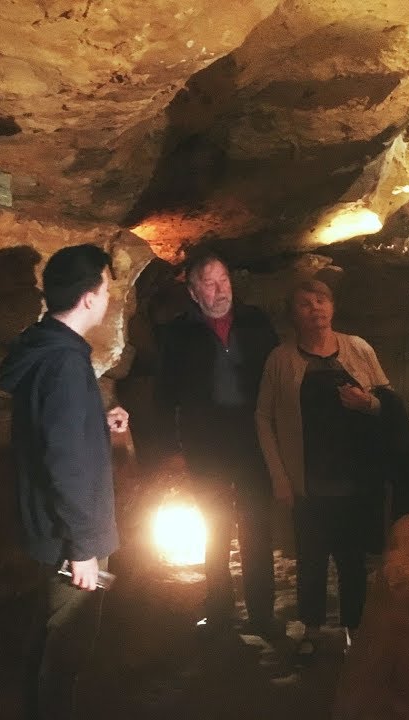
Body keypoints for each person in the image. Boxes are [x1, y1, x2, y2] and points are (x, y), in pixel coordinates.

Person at [255, 278, 409, 663]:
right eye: (305, 304)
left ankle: (353, 630)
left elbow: (388, 402)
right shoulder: (281, 360)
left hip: (355, 477)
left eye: (321, 300)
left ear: (333, 305)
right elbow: (263, 417)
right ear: (293, 316)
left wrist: (369, 405)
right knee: (310, 558)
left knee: (352, 558)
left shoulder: (358, 348)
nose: (316, 309)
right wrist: (279, 476)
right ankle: (311, 629)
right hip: (308, 478)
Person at [0, 243, 130, 720]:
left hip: (47, 530)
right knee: (67, 653)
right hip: (68, 540)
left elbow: (53, 433)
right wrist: (84, 548)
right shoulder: (67, 364)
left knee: (50, 641)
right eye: (107, 287)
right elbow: (67, 465)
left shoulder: (44, 349)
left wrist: (97, 420)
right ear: (89, 296)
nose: (110, 297)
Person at [156, 249, 281, 639]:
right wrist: (171, 452)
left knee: (257, 528)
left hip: (253, 442)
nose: (219, 289)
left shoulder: (256, 322)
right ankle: (221, 611)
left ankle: (262, 614)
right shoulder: (177, 334)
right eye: (209, 283)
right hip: (205, 447)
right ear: (194, 293)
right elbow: (164, 397)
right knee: (215, 528)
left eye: (223, 280)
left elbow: (278, 379)